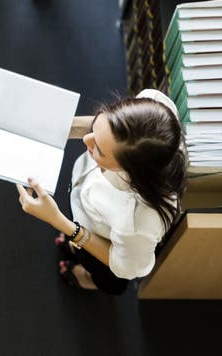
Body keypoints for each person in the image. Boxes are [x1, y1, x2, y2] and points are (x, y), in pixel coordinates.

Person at [16, 89, 187, 294]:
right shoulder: (154, 109)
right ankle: (73, 245)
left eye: (98, 149)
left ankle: (85, 277)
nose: (85, 140)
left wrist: (59, 221)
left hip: (103, 242)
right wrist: (57, 127)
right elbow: (109, 131)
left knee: (106, 278)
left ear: (127, 169)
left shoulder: (138, 222)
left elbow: (123, 265)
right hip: (85, 205)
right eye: (100, 120)